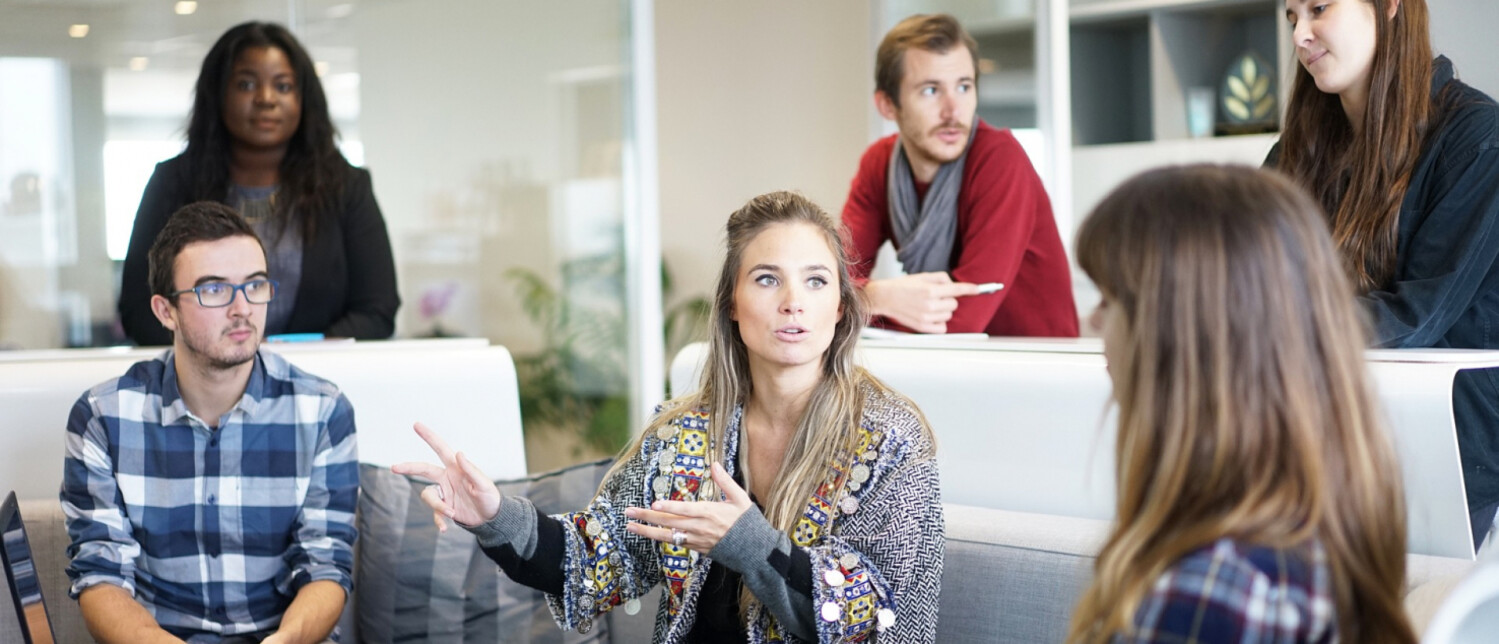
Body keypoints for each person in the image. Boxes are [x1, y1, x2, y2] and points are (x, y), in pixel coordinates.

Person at [395, 191, 944, 642]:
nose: (793, 301)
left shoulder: (891, 439)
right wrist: (494, 516)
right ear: (731, 304)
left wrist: (752, 546)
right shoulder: (684, 432)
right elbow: (598, 558)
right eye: (767, 278)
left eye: (816, 280)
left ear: (841, 307)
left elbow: (875, 618)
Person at [1067, 165, 1415, 643]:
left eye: (1109, 300)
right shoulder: (1311, 534)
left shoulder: (1210, 593)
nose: (1092, 321)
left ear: (1179, 333)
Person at [63, 202, 358, 643]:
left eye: (255, 285)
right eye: (214, 290)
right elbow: (100, 577)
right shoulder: (103, 417)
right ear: (166, 311)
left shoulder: (323, 411)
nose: (243, 308)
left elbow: (326, 566)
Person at [1269, 0, 1499, 549]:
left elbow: (1415, 316)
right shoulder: (1297, 150)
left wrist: (1259, 328)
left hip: (1448, 461)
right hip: (1326, 451)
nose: (1300, 35)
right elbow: (1245, 280)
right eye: (1292, 16)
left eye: (1319, 8)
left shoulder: (1476, 137)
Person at [119, 21, 399, 346]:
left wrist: (290, 356)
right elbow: (139, 311)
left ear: (304, 99)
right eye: (246, 84)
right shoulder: (173, 183)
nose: (266, 99)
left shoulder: (346, 187)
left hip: (318, 373)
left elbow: (377, 310)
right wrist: (226, 354)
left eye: (283, 86)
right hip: (203, 375)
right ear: (217, 93)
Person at [840, 13, 1077, 336]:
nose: (953, 111)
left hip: (1034, 360)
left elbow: (963, 320)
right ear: (887, 105)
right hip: (945, 358)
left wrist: (858, 301)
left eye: (964, 87)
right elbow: (828, 283)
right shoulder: (878, 164)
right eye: (930, 90)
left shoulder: (999, 159)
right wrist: (878, 296)